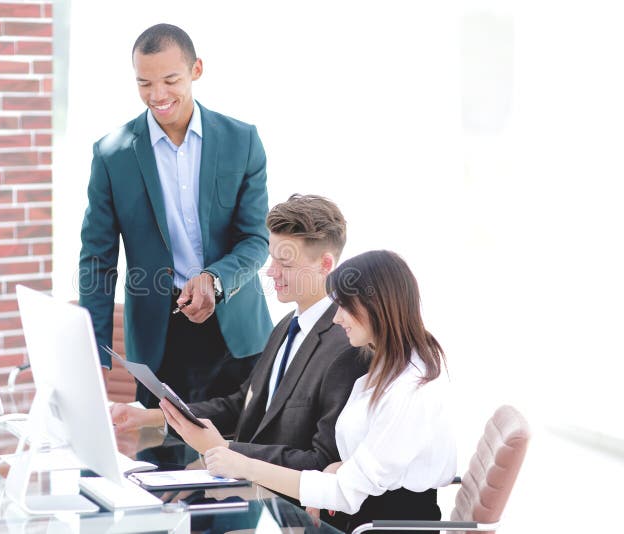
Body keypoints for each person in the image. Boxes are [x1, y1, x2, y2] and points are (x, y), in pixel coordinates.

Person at [78, 23, 272, 407]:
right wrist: (92, 354)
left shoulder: (242, 140)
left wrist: (213, 279)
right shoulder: (111, 155)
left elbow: (256, 239)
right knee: (157, 464)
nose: (158, 95)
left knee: (244, 459)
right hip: (159, 341)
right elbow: (97, 259)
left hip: (238, 333)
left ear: (196, 70)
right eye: (144, 83)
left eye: (170, 80)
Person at [198, 250, 456, 533]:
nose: (336, 319)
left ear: (376, 306)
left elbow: (345, 493)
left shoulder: (409, 388)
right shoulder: (389, 363)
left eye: (345, 307)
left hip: (379, 526)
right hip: (360, 516)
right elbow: (374, 459)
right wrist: (339, 467)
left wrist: (244, 466)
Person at [113, 195, 371, 471]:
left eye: (285, 263)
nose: (271, 272)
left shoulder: (348, 345)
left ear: (325, 265)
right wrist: (149, 416)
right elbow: (241, 406)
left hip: (286, 505)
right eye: (272, 259)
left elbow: (322, 461)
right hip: (246, 487)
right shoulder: (285, 327)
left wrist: (225, 451)